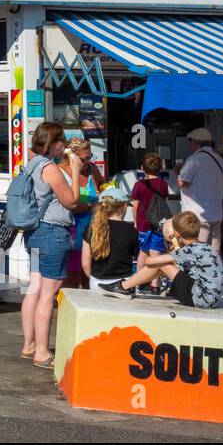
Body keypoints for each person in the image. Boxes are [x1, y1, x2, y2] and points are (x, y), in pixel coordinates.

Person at [20, 122, 87, 369]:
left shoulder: (31, 164)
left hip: (35, 233)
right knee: (48, 294)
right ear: (55, 143)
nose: (64, 147)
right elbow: (71, 201)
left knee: (34, 288)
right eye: (62, 142)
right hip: (52, 233)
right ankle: (42, 352)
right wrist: (76, 172)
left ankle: (29, 345)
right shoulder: (49, 168)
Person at [99, 211, 223, 308]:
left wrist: (171, 241)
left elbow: (149, 261)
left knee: (162, 264)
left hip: (201, 298)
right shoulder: (205, 247)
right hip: (211, 299)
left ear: (177, 234)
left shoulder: (190, 250)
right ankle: (126, 287)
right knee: (163, 265)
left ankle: (124, 287)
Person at [61, 138, 103, 290]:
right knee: (71, 278)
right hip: (72, 233)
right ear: (72, 157)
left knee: (88, 276)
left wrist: (103, 192)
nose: (88, 161)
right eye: (84, 159)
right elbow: (66, 204)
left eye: (90, 157)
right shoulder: (62, 173)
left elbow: (102, 187)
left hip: (92, 232)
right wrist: (89, 205)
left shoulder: (92, 169)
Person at [178, 127, 223, 255]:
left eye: (191, 142)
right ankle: (218, 274)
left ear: (195, 142)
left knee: (198, 252)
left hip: (197, 215)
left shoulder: (195, 159)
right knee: (215, 251)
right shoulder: (219, 159)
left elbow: (183, 182)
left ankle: (197, 275)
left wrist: (178, 172)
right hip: (216, 212)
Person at [81, 185, 139, 291]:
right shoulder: (131, 231)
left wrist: (93, 279)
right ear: (124, 206)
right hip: (124, 283)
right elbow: (138, 259)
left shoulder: (91, 229)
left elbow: (85, 264)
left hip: (97, 282)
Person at [129, 153, 173, 288]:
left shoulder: (139, 185)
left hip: (143, 224)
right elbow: (164, 203)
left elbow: (135, 206)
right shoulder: (163, 184)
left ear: (143, 168)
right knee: (156, 252)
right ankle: (155, 283)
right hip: (159, 223)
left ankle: (138, 282)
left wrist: (136, 222)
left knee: (143, 252)